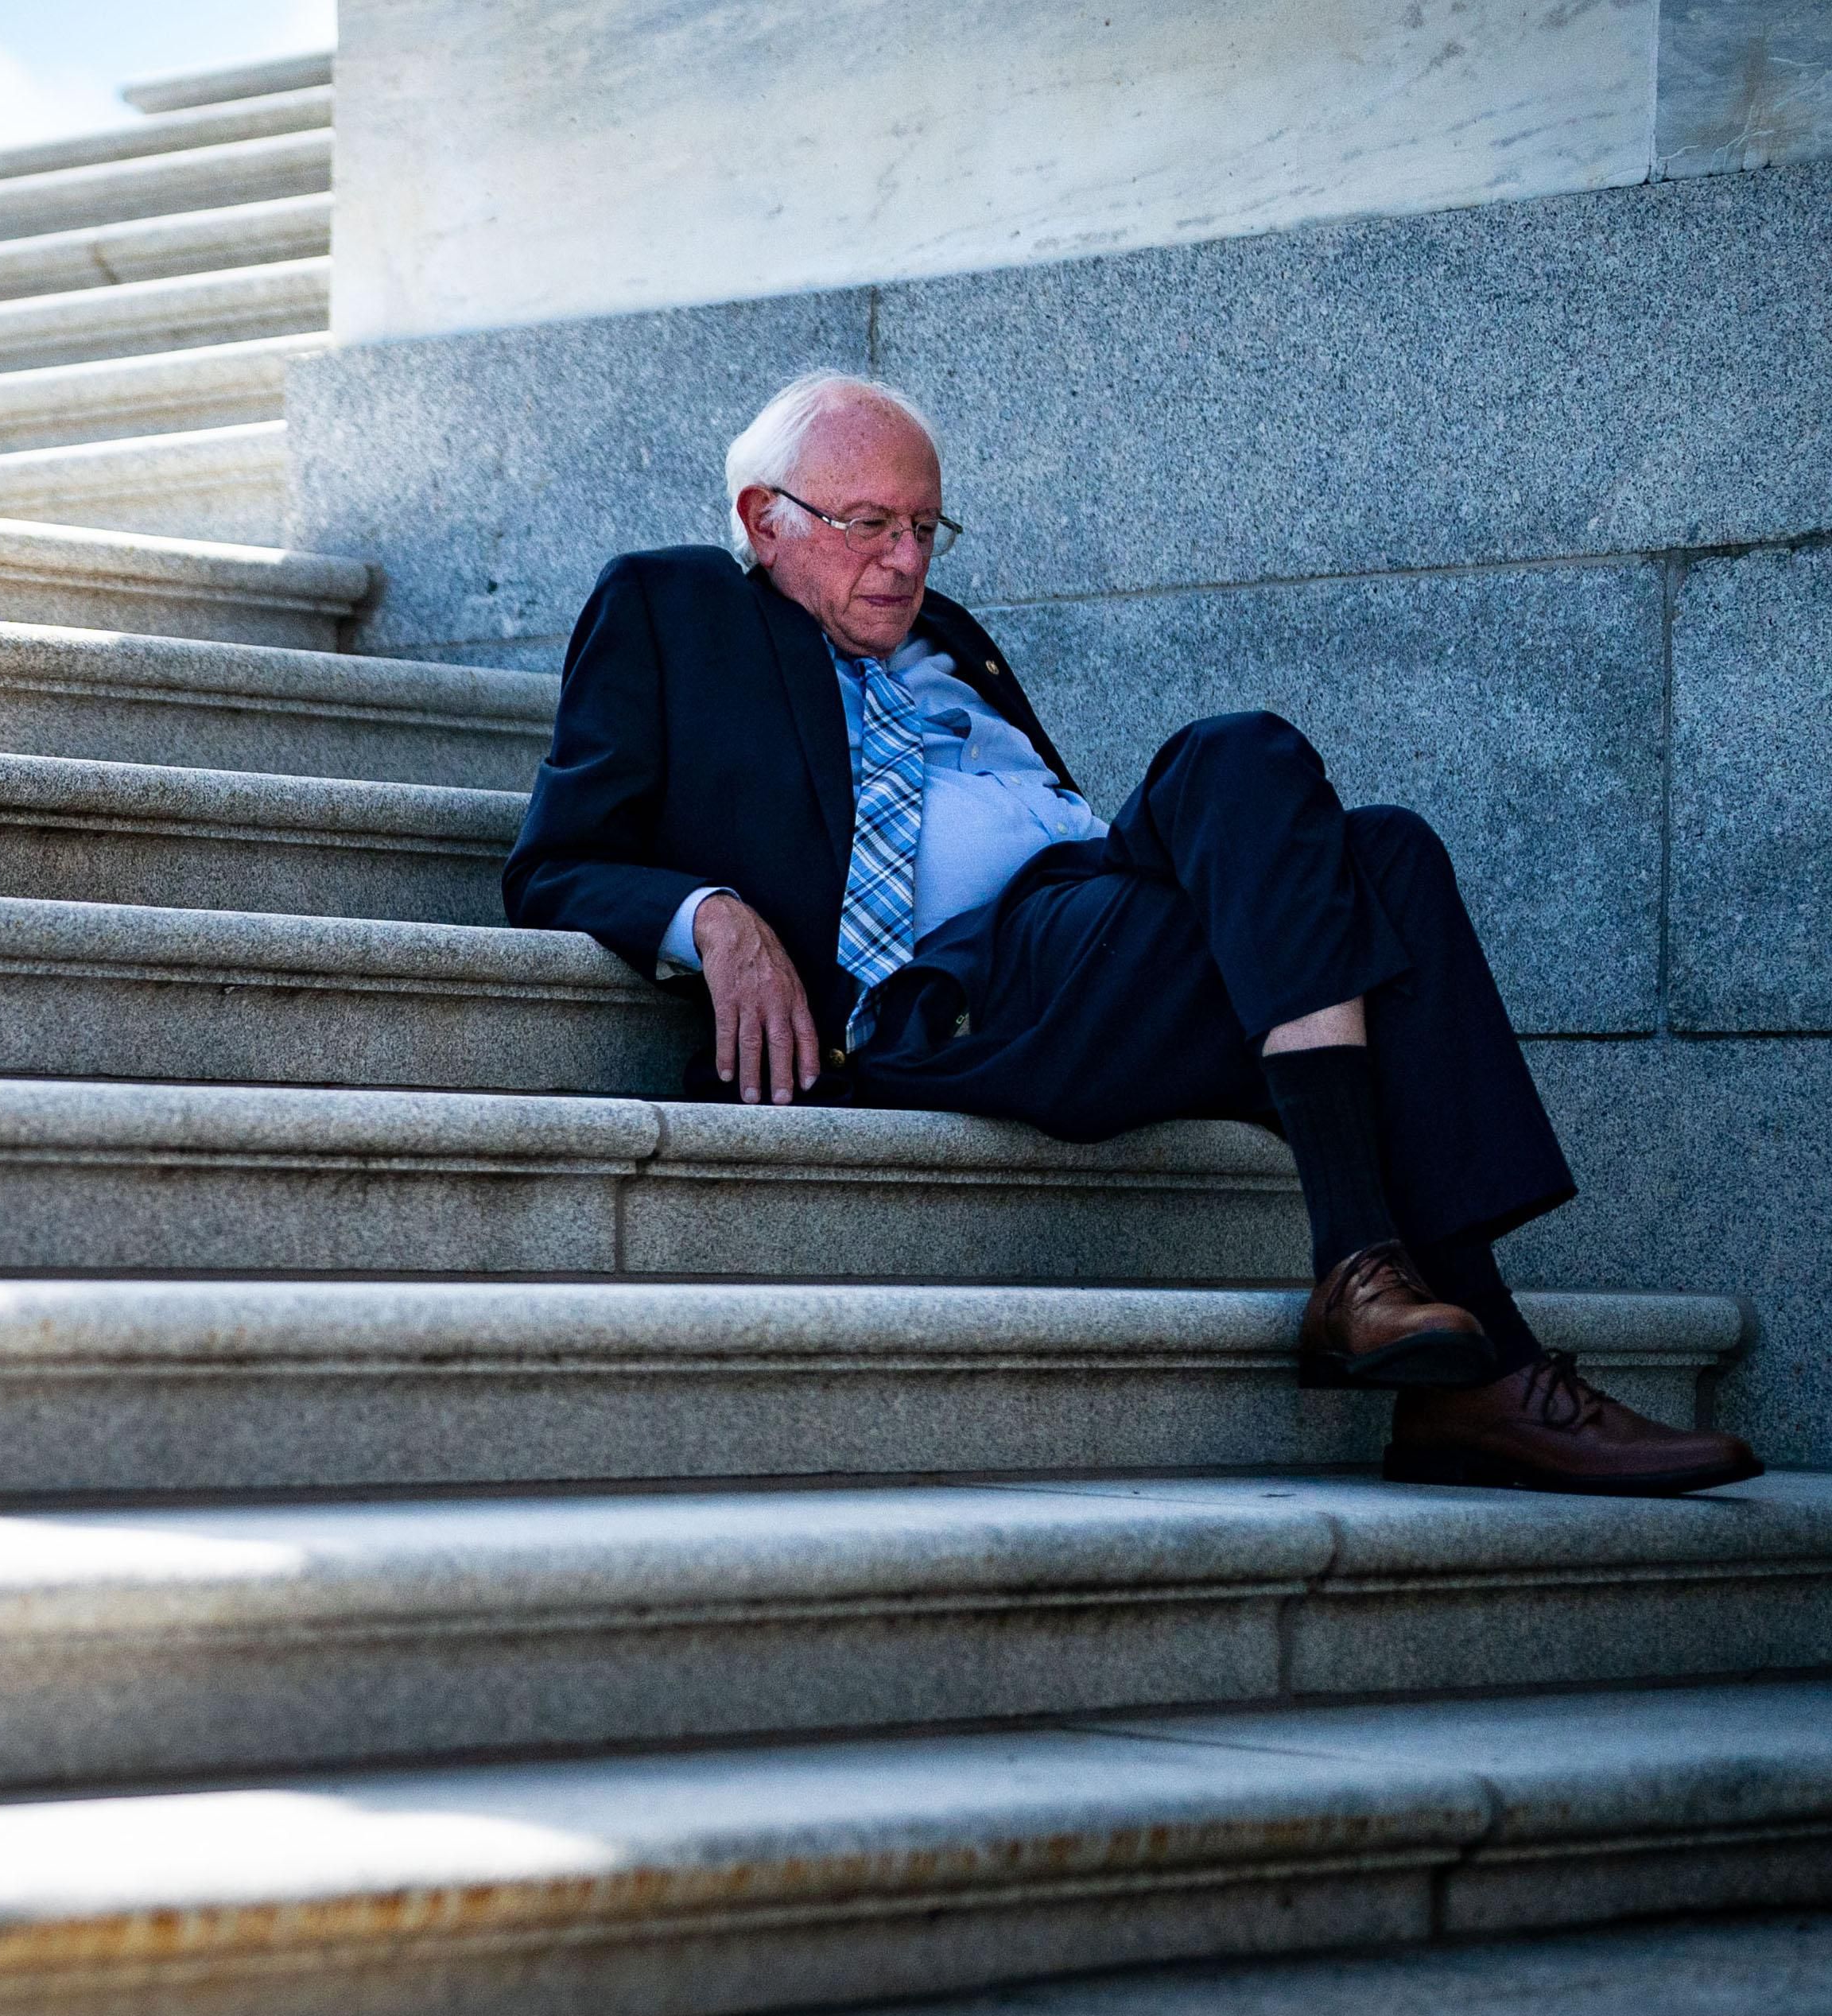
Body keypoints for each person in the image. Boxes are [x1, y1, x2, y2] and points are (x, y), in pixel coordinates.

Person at [503, 370, 1756, 1497]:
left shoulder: (951, 643)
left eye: (923, 527)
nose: (903, 560)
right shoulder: (670, 607)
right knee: (1283, 792)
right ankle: (1441, 1327)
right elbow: (557, 860)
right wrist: (710, 915)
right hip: (956, 992)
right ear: (762, 519)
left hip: (1084, 909)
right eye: (866, 524)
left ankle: (1428, 1340)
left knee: (1382, 850)